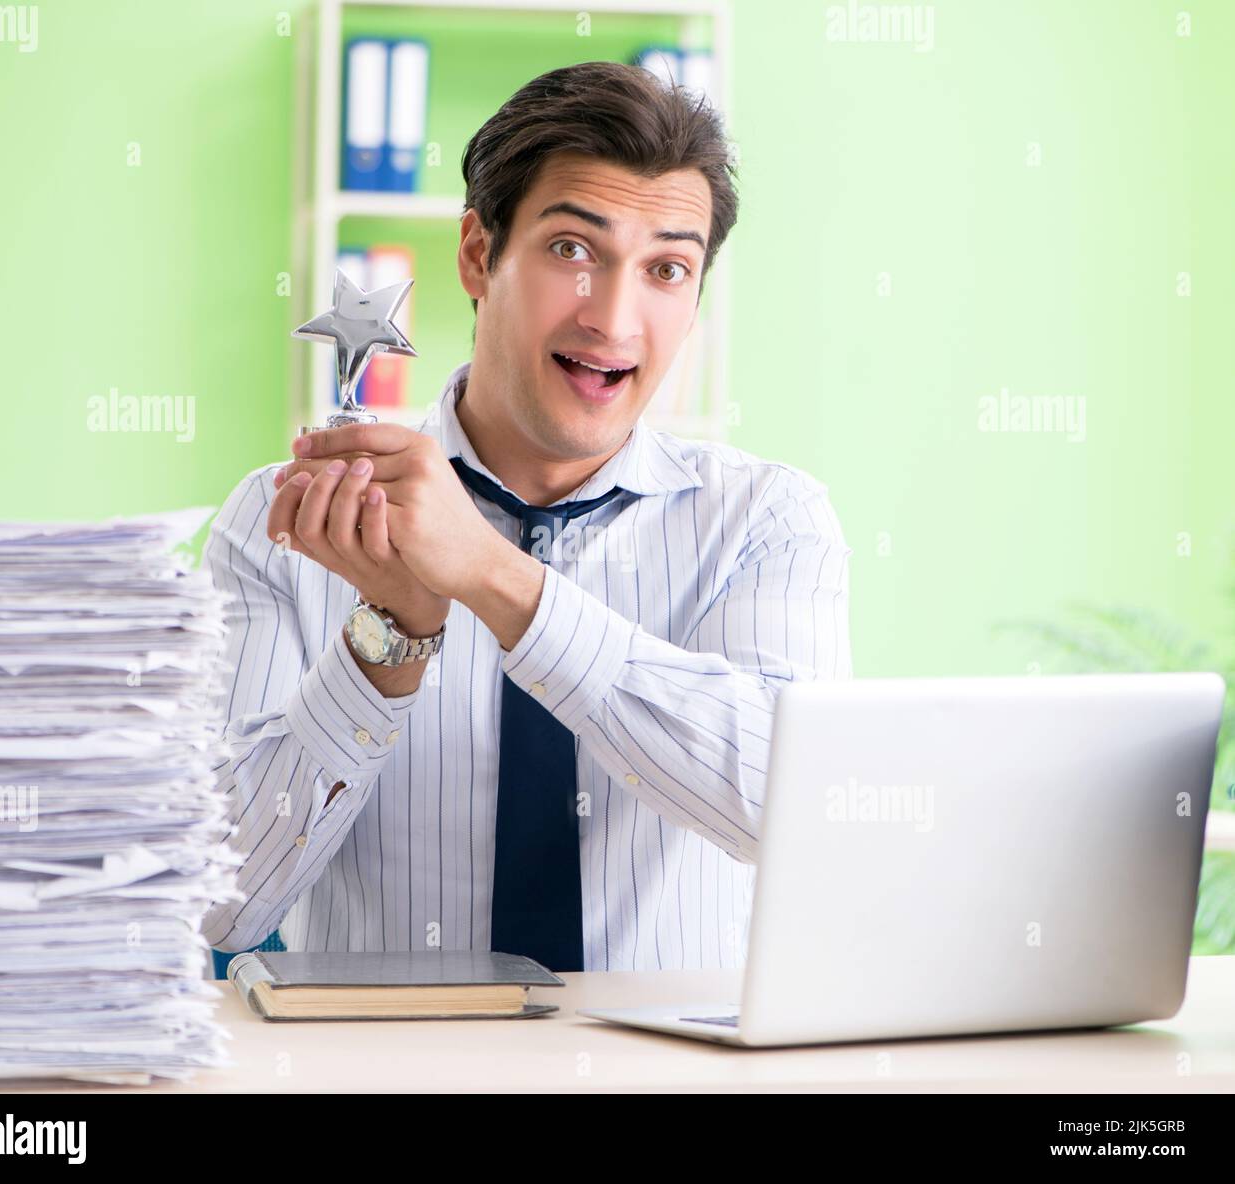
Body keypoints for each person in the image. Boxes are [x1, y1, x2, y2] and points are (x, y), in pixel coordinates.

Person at [201, 61, 851, 972]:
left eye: (667, 268)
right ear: (478, 254)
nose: (614, 318)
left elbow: (791, 814)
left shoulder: (767, 522)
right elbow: (215, 904)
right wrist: (387, 639)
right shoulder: (292, 518)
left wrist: (500, 582)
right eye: (573, 250)